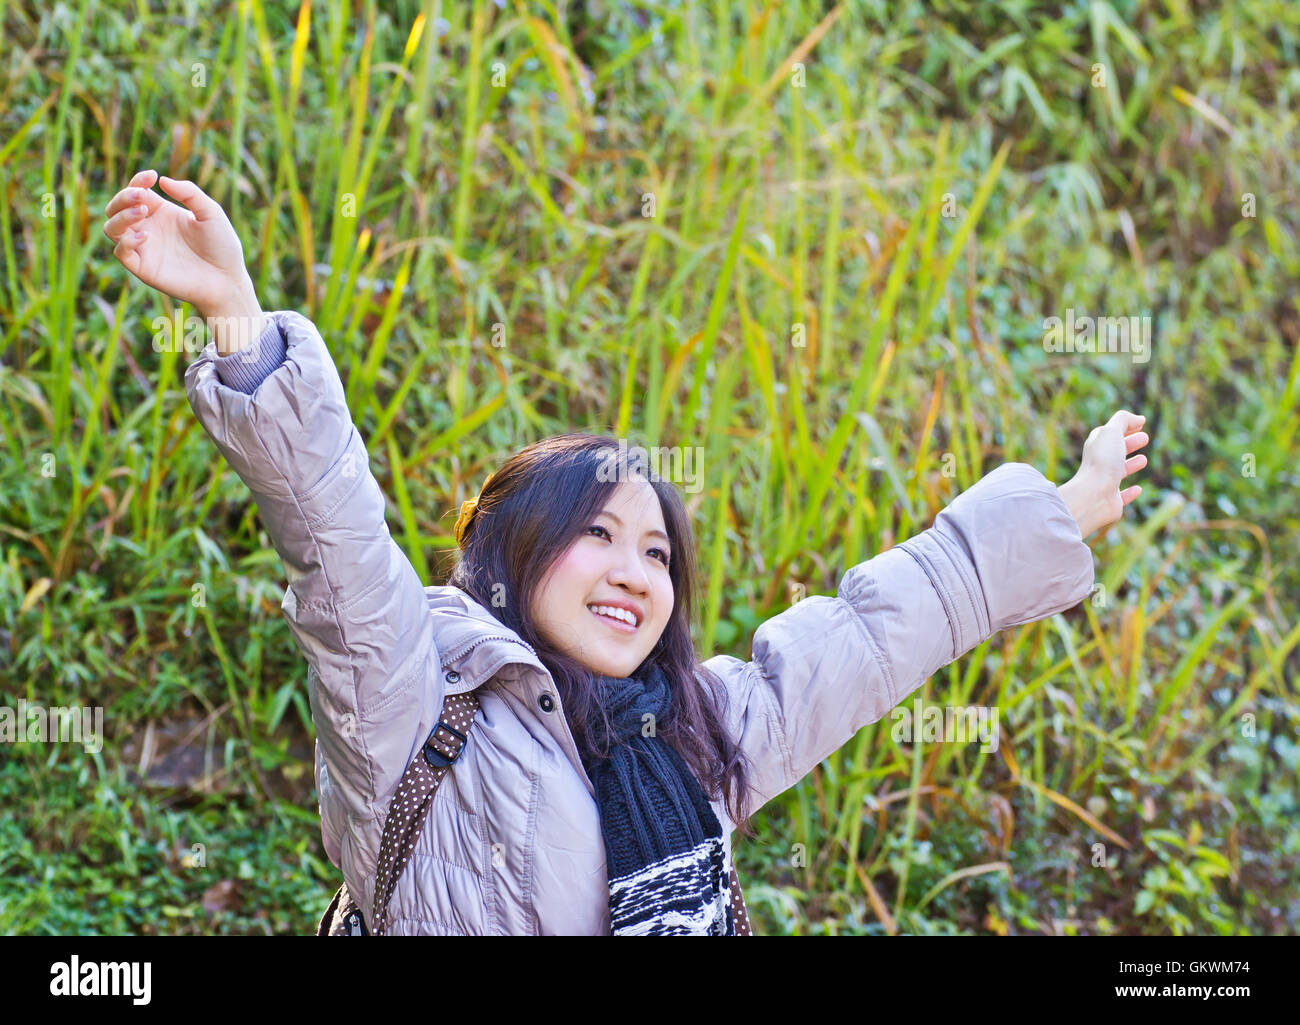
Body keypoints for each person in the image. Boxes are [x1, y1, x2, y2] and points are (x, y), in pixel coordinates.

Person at [103, 168, 1150, 935]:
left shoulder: (699, 730)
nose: (634, 572)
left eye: (656, 552)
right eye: (595, 533)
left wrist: (1063, 505)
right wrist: (239, 322)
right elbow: (332, 532)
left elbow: (880, 629)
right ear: (512, 559)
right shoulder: (413, 698)